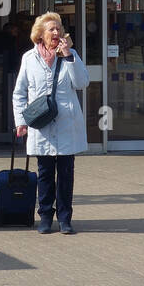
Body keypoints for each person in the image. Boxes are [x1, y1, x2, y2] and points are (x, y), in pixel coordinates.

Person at [12, 12, 89, 234]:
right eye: (51, 29)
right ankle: (45, 216)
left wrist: (68, 56)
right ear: (40, 34)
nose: (56, 33)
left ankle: (65, 218)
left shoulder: (70, 54)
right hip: (41, 124)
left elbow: (82, 82)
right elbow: (19, 93)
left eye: (58, 29)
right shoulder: (29, 58)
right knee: (44, 173)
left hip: (66, 123)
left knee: (66, 173)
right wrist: (20, 122)